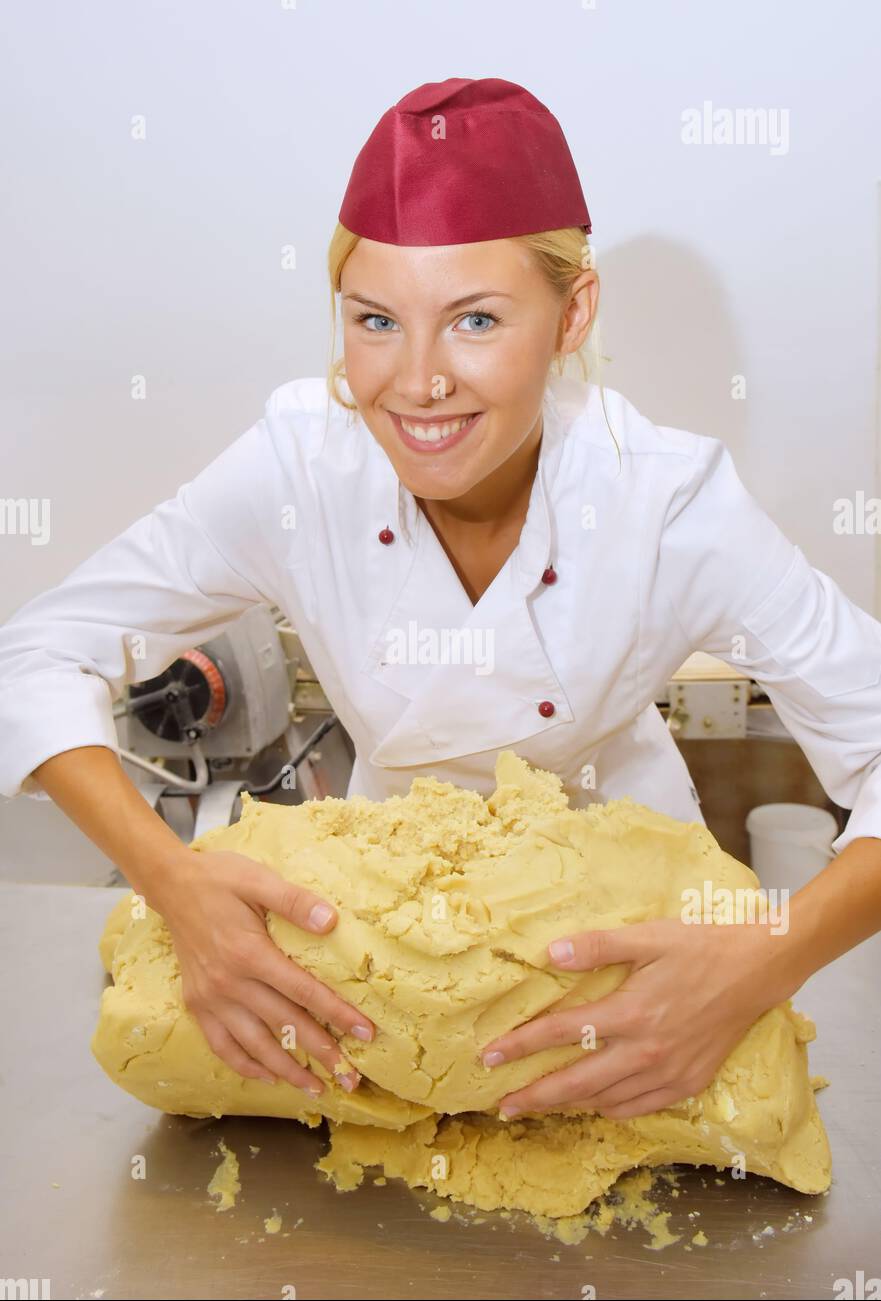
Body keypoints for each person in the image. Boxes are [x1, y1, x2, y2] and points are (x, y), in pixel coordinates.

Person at [2, 77, 881, 1121]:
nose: (416, 383)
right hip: (378, 936)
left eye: (473, 319)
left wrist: (754, 962)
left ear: (571, 314)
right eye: (376, 320)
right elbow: (38, 653)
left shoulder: (665, 500)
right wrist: (175, 884)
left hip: (625, 934)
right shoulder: (298, 468)